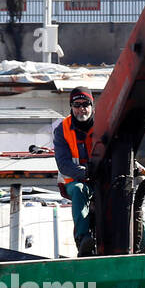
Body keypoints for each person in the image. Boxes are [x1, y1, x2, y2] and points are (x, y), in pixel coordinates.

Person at [54, 87, 98, 256]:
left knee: (130, 196)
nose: (81, 109)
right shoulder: (62, 129)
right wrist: (86, 174)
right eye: (76, 105)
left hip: (102, 180)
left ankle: (144, 247)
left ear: (92, 106)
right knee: (80, 191)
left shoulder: (105, 123)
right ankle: (82, 239)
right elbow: (63, 164)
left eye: (85, 104)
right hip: (74, 181)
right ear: (71, 107)